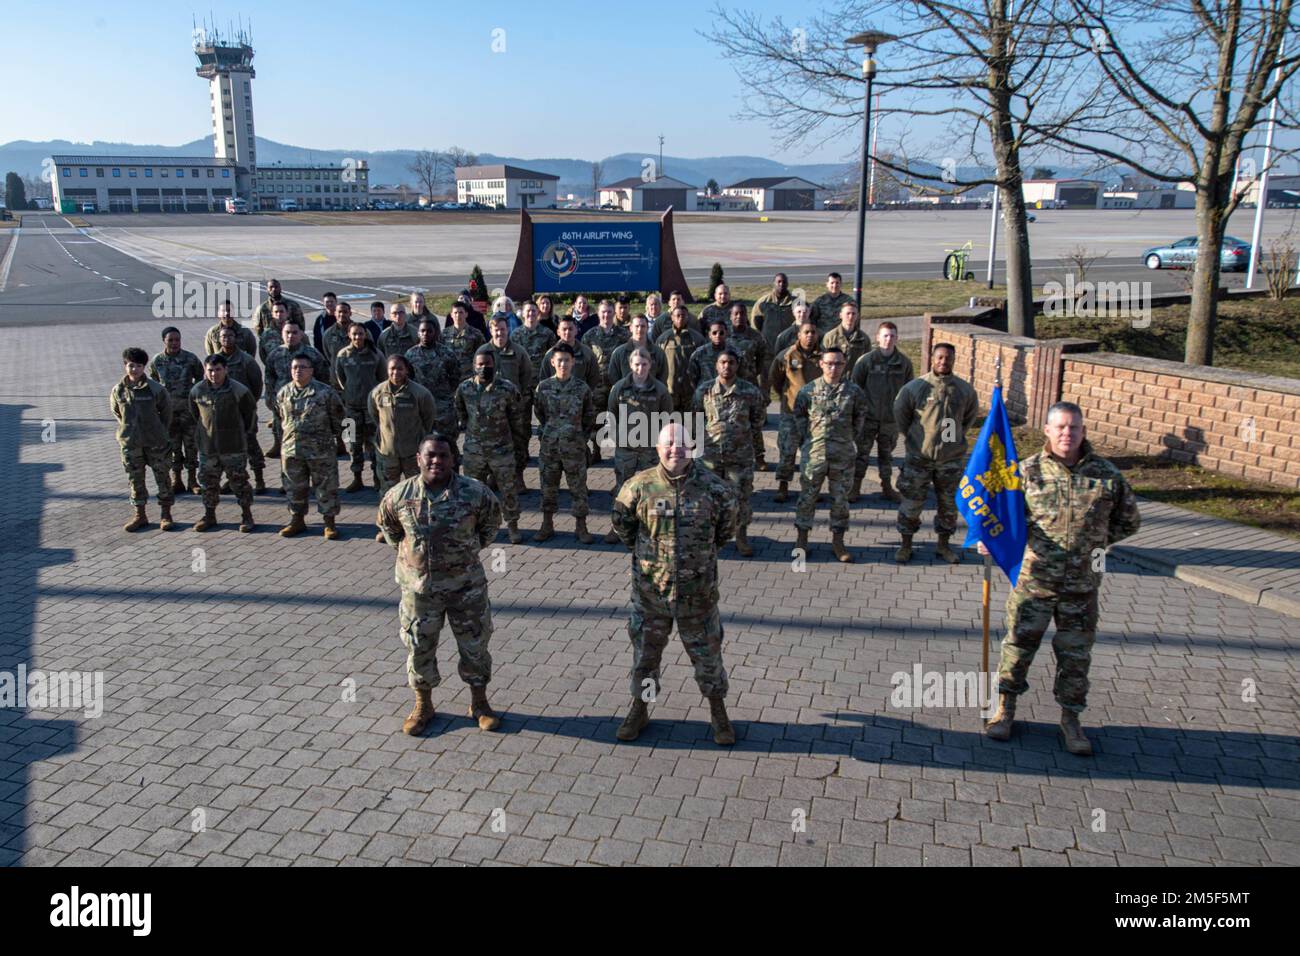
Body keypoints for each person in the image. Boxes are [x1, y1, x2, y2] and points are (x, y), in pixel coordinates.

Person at [981, 402, 1141, 756]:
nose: (1068, 433)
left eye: (1074, 427)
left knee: (1076, 657)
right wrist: (991, 542)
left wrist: (1094, 542)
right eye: (1061, 427)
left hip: (1082, 588)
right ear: (1048, 431)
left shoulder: (1106, 475)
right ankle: (1005, 709)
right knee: (1018, 649)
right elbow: (1007, 520)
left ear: (1083, 431)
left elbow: (1129, 521)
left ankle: (1071, 719)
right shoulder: (1026, 472)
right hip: (1035, 582)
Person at [611, 423, 739, 746]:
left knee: (708, 661)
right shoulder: (638, 487)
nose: (675, 450)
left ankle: (718, 713)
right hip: (652, 597)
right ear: (657, 447)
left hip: (698, 598)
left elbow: (725, 529)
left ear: (691, 447)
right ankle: (640, 709)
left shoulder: (715, 489)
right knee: (646, 659)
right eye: (668, 444)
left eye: (681, 444)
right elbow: (622, 527)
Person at [376, 433, 504, 736]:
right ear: (418, 458)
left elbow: (490, 526)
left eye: (443, 455)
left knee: (475, 646)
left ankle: (480, 703)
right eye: (430, 455)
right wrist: (411, 556)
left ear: (453, 459)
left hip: (466, 588)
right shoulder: (399, 494)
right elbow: (389, 526)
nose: (437, 461)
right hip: (420, 592)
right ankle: (423, 705)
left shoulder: (475, 493)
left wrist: (466, 551)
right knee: (419, 646)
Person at [892, 342, 980, 563]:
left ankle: (944, 546)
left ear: (954, 360)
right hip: (919, 458)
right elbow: (901, 415)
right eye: (939, 357)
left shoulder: (964, 389)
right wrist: (916, 439)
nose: (943, 361)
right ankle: (906, 545)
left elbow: (968, 418)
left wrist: (953, 440)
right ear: (932, 358)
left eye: (948, 358)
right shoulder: (916, 387)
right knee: (911, 504)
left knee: (948, 506)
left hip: (950, 460)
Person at [793, 346, 868, 563]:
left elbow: (859, 420)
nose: (833, 368)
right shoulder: (808, 391)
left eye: (838, 364)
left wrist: (846, 439)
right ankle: (802, 540)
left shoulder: (854, 392)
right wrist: (808, 441)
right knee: (807, 498)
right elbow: (799, 417)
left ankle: (838, 541)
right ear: (821, 364)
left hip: (843, 456)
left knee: (840, 500)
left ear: (845, 366)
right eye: (829, 363)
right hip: (814, 455)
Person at [694, 348, 766, 557]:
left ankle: (741, 536)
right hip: (710, 458)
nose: (727, 366)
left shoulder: (750, 392)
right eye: (723, 362)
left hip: (740, 457)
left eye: (731, 362)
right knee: (708, 498)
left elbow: (757, 422)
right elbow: (696, 421)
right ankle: (710, 537)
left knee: (741, 498)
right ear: (716, 365)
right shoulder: (704, 391)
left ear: (737, 365)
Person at [455, 347, 526, 543]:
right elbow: (460, 412)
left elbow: (517, 419)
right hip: (474, 451)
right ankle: (474, 527)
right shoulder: (465, 389)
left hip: (501, 450)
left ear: (494, 365)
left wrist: (519, 448)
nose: (484, 367)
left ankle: (512, 526)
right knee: (472, 492)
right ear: (474, 366)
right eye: (480, 364)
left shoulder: (507, 389)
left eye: (487, 364)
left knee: (508, 490)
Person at [606, 346, 672, 544]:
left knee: (656, 489)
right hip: (626, 450)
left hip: (651, 450)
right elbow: (612, 414)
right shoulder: (619, 388)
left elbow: (666, 418)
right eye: (637, 364)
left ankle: (658, 528)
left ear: (650, 365)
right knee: (622, 489)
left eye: (644, 364)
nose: (640, 368)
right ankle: (616, 527)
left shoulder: (660, 390)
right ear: (630, 365)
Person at [533, 344, 596, 545]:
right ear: (552, 362)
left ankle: (581, 527)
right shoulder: (543, 387)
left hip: (574, 447)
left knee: (578, 488)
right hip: (550, 447)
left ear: (573, 362)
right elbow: (539, 413)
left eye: (566, 360)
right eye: (559, 360)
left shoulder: (582, 388)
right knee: (548, 487)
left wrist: (578, 436)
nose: (563, 364)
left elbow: (589, 417)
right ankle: (547, 524)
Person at [277, 355, 345, 539]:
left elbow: (341, 419)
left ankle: (329, 523)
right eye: (294, 367)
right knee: (294, 487)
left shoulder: (325, 392)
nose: (297, 371)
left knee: (326, 487)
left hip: (320, 451)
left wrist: (345, 443)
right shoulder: (284, 393)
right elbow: (281, 419)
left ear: (311, 370)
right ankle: (296, 520)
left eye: (302, 367)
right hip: (292, 450)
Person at [188, 353, 257, 533]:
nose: (214, 374)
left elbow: (249, 415)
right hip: (208, 448)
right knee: (208, 483)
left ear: (226, 370)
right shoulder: (197, 391)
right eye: (210, 370)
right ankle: (209, 515)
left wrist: (242, 436)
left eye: (218, 370)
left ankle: (246, 515)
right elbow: (195, 415)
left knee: (239, 482)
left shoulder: (238, 390)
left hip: (233, 447)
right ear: (205, 370)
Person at [369, 355, 437, 533]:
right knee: (387, 493)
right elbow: (375, 415)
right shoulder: (378, 392)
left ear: (406, 370)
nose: (395, 372)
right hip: (387, 453)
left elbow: (428, 419)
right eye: (392, 368)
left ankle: (415, 527)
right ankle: (389, 528)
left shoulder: (420, 393)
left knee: (416, 492)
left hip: (411, 453)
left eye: (399, 368)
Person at [111, 347, 174, 532]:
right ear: (125, 366)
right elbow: (117, 412)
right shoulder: (118, 390)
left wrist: (159, 431)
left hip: (156, 443)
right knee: (135, 480)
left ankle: (166, 514)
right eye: (131, 365)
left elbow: (166, 413)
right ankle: (140, 515)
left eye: (138, 366)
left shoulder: (156, 389)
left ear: (144, 367)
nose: (134, 370)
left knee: (162, 479)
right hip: (131, 444)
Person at [849, 321, 913, 503]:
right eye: (885, 335)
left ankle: (886, 487)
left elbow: (908, 391)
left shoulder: (904, 363)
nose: (888, 339)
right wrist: (856, 415)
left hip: (890, 420)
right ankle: (855, 487)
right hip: (868, 418)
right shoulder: (866, 361)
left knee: (886, 457)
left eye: (892, 336)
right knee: (861, 455)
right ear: (877, 338)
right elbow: (855, 388)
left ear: (897, 338)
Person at [768, 319, 821, 503]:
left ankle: (810, 489)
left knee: (813, 455)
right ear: (799, 335)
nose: (810, 336)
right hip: (791, 413)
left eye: (813, 332)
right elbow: (775, 378)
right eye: (806, 332)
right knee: (787, 452)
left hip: (815, 416)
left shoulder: (822, 357)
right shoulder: (788, 355)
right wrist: (787, 395)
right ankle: (783, 486)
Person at [147, 327, 205, 495]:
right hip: (168, 412)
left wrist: (194, 397)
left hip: (188, 411)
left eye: (177, 340)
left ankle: (193, 481)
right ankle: (176, 480)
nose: (174, 343)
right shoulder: (157, 361)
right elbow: (154, 383)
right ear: (164, 341)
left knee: (191, 446)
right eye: (170, 340)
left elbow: (201, 379)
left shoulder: (190, 359)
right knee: (173, 447)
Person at [263, 320, 328, 467]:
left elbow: (324, 378)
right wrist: (271, 401)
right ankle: (288, 479)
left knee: (312, 444)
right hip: (283, 405)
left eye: (294, 332)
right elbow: (269, 379)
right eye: (287, 332)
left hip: (309, 406)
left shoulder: (312, 354)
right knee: (284, 443)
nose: (290, 336)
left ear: (301, 334)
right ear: (282, 334)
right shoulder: (275, 355)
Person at [484, 314, 536, 488]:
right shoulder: (483, 352)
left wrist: (520, 400)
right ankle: (493, 476)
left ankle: (518, 476)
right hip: (491, 408)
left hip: (515, 408)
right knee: (493, 442)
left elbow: (526, 376)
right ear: (491, 330)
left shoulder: (519, 352)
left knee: (519, 442)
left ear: (508, 330)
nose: (500, 333)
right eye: (496, 330)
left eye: (503, 329)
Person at [334, 324, 386, 492]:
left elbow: (383, 378)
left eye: (361, 334)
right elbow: (341, 379)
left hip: (371, 409)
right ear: (349, 335)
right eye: (354, 334)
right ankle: (357, 479)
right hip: (350, 409)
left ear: (366, 335)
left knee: (375, 445)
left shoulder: (375, 354)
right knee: (353, 446)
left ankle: (377, 479)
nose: (358, 337)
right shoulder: (343, 355)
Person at [216, 326, 268, 494]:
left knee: (251, 444)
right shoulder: (214, 361)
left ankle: (259, 479)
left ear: (236, 338)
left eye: (230, 335)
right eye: (223, 336)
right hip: (224, 412)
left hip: (244, 410)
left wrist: (250, 405)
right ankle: (233, 478)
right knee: (228, 448)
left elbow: (257, 385)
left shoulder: (246, 360)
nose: (226, 339)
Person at [579, 299, 630, 464]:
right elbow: (584, 360)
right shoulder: (590, 336)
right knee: (597, 419)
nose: (606, 315)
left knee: (621, 419)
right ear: (598, 314)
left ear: (613, 314)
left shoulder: (624, 335)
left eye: (609, 312)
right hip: (598, 385)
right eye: (603, 312)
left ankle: (623, 452)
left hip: (618, 384)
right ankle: (596, 449)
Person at [406, 317, 461, 438]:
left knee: (448, 442)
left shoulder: (447, 353)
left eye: (429, 331)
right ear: (418, 333)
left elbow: (455, 377)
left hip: (443, 407)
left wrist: (444, 394)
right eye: (423, 331)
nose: (426, 334)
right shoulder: (410, 355)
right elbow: (407, 380)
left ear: (435, 332)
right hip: (420, 406)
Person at [656, 304, 706, 413]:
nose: (680, 318)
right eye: (677, 316)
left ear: (687, 317)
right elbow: (657, 365)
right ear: (672, 318)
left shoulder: (697, 339)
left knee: (692, 427)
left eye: (683, 315)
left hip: (691, 392)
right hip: (670, 391)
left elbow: (703, 365)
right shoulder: (663, 339)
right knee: (670, 427)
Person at [609, 313, 667, 385]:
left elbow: (662, 379)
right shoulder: (619, 353)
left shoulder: (658, 353)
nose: (639, 329)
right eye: (637, 326)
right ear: (631, 328)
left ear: (647, 328)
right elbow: (614, 379)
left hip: (651, 394)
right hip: (626, 394)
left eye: (643, 326)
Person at [443, 300, 487, 382]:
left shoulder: (476, 334)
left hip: (469, 378)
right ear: (451, 315)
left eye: (461, 312)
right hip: (449, 379)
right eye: (455, 313)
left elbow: (483, 354)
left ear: (466, 314)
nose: (458, 315)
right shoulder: (444, 334)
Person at [820, 301, 870, 373]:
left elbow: (867, 363)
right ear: (841, 315)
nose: (851, 316)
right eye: (848, 313)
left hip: (855, 380)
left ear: (857, 316)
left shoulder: (864, 338)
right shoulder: (830, 337)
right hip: (834, 378)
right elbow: (823, 360)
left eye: (853, 314)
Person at [752, 272, 796, 353]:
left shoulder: (796, 303)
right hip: (768, 349)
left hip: (789, 349)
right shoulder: (763, 302)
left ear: (787, 284)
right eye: (779, 281)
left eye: (784, 282)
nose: (781, 284)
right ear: (774, 283)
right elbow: (755, 325)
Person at [688, 318, 730, 394]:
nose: (718, 335)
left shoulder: (735, 352)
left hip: (729, 393)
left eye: (721, 333)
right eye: (714, 333)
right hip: (706, 394)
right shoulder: (699, 353)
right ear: (709, 335)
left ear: (726, 333)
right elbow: (692, 376)